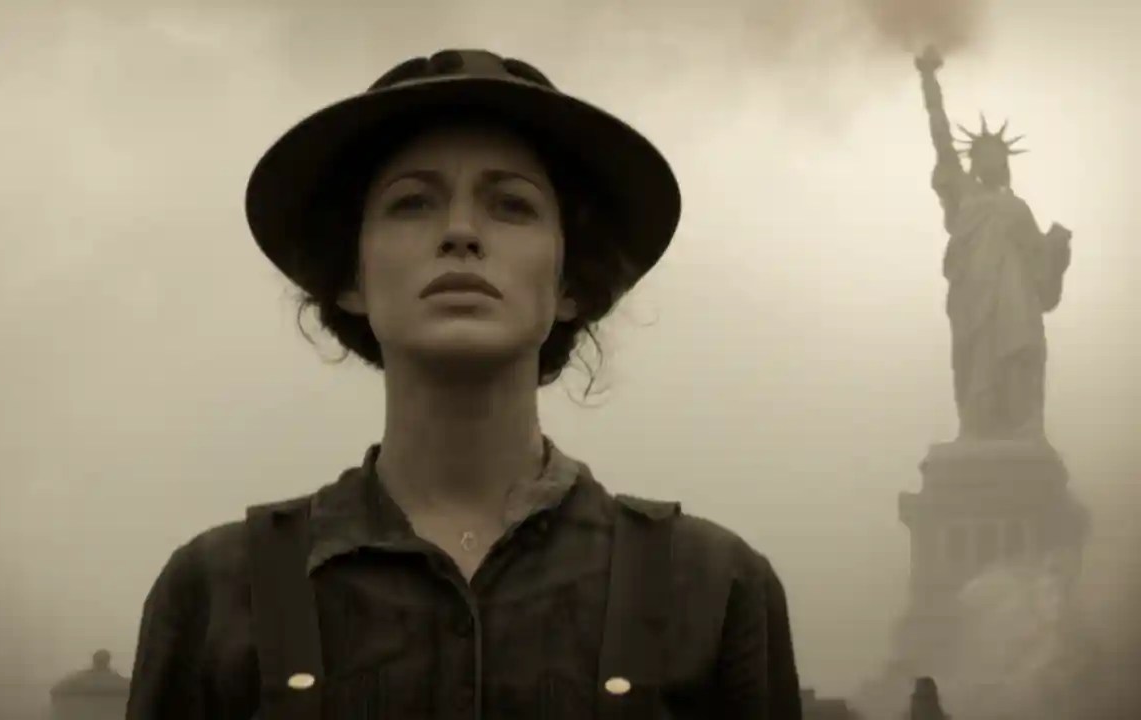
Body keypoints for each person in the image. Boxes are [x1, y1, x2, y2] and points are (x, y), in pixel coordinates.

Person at [126, 48, 801, 719]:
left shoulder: (712, 586)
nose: (459, 233)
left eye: (511, 205)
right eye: (412, 203)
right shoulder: (216, 590)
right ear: (351, 278)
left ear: (570, 283)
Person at [914, 46, 1073, 442]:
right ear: (973, 161)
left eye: (996, 155)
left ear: (1003, 163)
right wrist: (929, 79)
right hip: (973, 294)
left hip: (1014, 292)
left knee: (1019, 350)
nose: (988, 160)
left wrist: (1057, 250)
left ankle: (1023, 423)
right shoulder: (963, 191)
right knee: (978, 357)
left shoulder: (1016, 207)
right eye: (982, 153)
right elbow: (940, 135)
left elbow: (1040, 267)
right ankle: (979, 424)